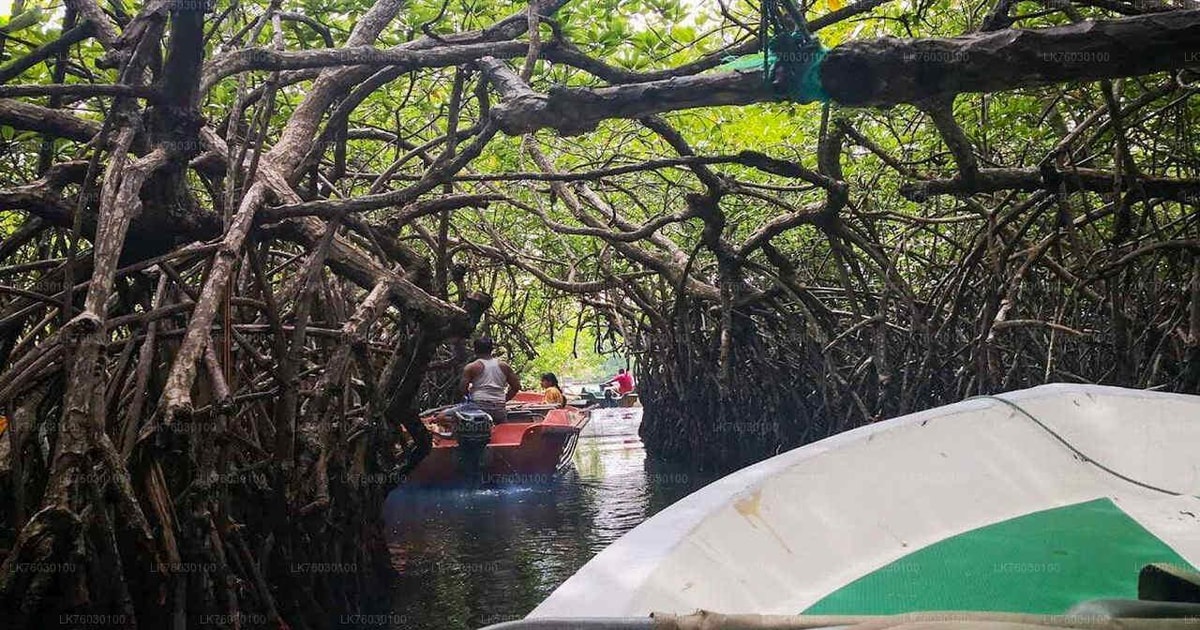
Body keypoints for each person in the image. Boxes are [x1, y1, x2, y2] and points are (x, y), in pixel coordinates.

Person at [458, 336, 521, 423]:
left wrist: (470, 396)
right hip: (499, 405)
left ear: (475, 350)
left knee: (478, 432)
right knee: (501, 431)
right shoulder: (504, 366)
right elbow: (516, 387)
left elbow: (462, 389)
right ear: (492, 349)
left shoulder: (471, 367)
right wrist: (504, 399)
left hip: (479, 405)